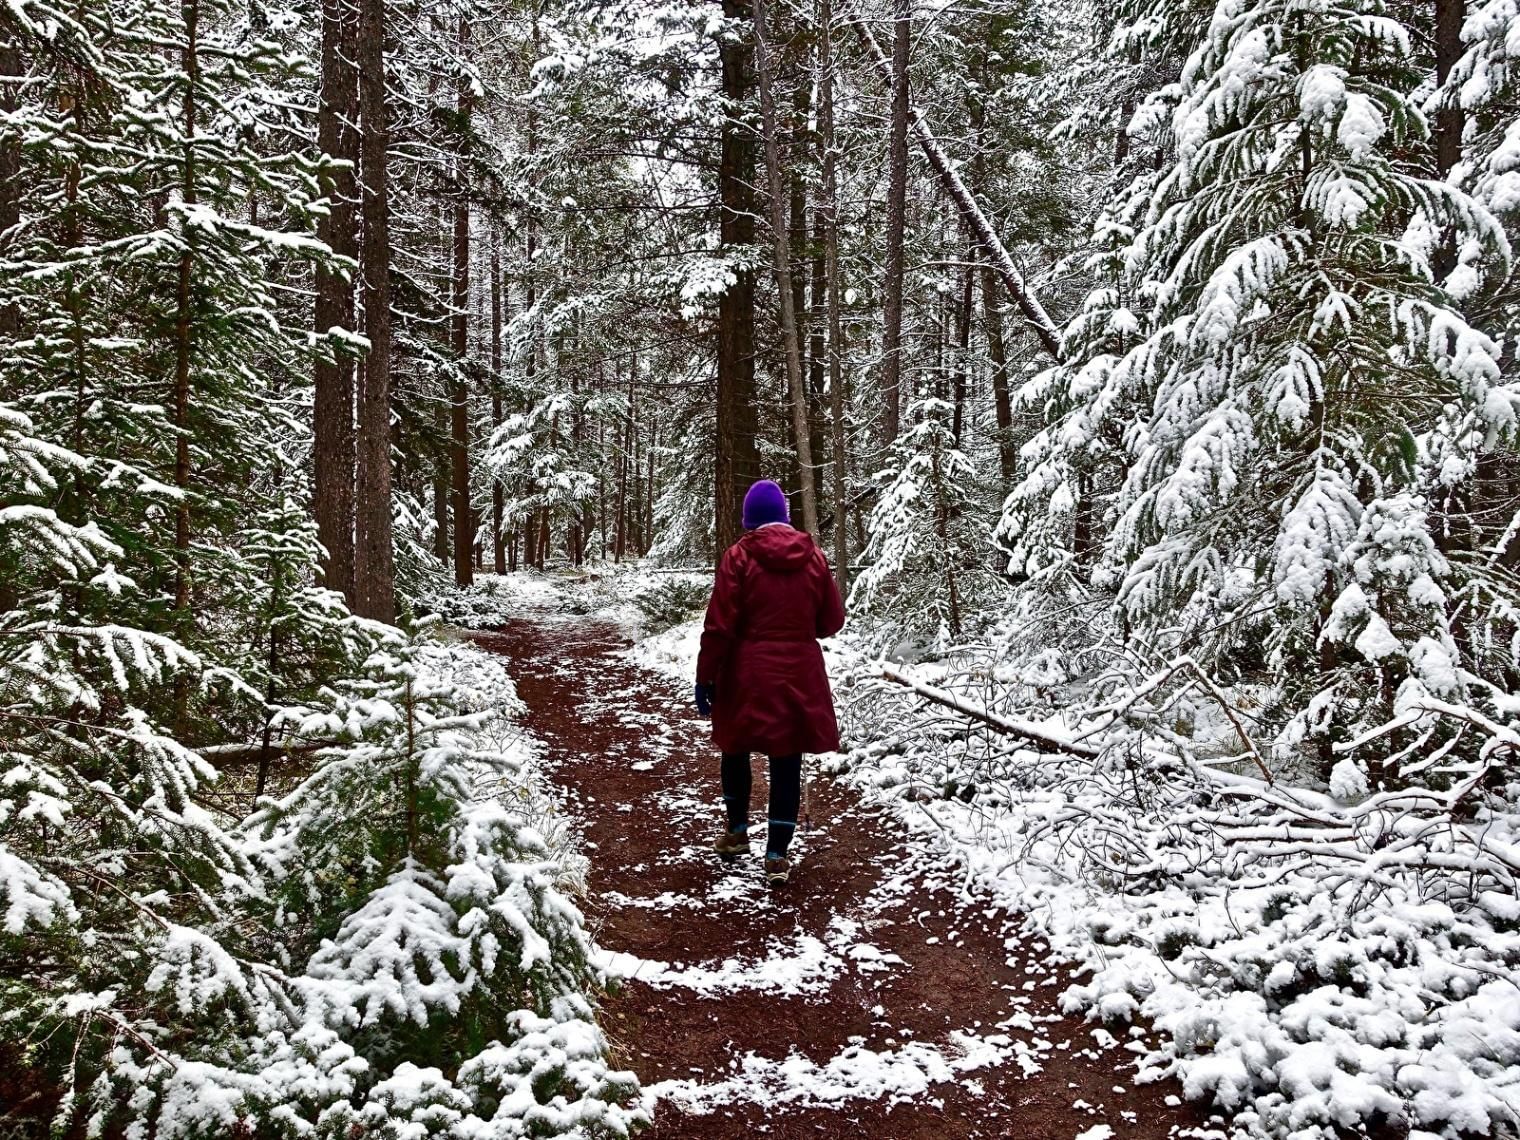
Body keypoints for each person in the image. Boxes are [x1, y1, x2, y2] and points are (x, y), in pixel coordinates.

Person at [694, 479, 846, 887]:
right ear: (783, 517)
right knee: (786, 756)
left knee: (735, 746)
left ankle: (737, 832)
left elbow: (719, 625)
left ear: (750, 520)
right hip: (799, 671)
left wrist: (705, 676)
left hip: (746, 671)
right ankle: (777, 854)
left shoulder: (738, 557)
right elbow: (831, 622)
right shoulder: (813, 557)